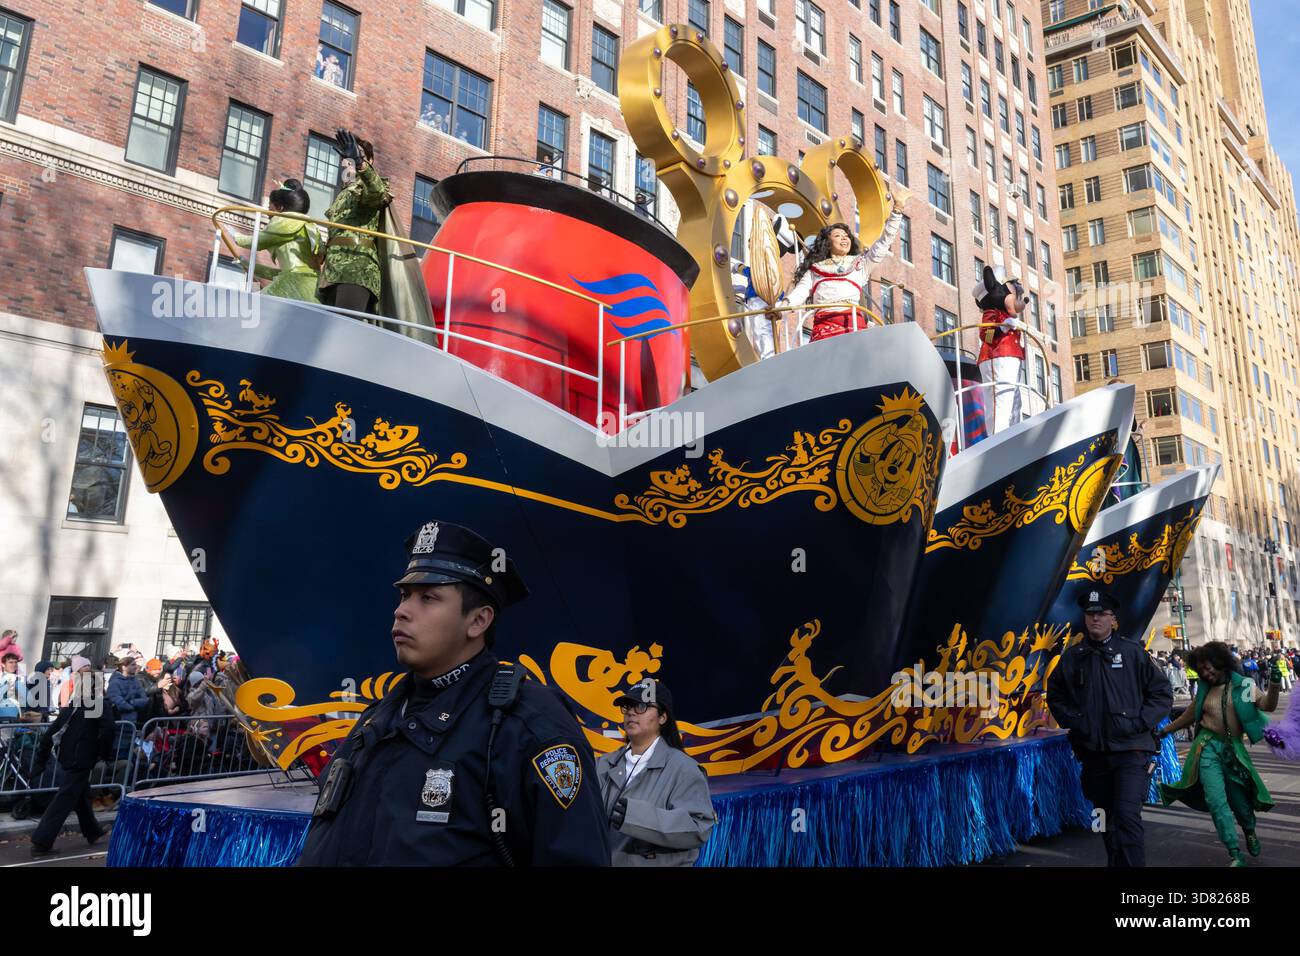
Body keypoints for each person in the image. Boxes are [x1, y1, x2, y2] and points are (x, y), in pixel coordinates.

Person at [296, 520, 610, 866]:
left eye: (428, 597)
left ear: (478, 621)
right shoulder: (378, 720)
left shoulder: (527, 725)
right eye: (404, 595)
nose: (401, 611)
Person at [1047, 590, 1173, 867]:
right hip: (1093, 754)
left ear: (1112, 619)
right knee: (1102, 818)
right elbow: (1054, 695)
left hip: (1132, 751)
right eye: (1090, 614)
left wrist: (1139, 722)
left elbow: (1162, 693)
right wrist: (1074, 720)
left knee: (1127, 817)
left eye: (1101, 614)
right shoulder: (1073, 657)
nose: (1095, 619)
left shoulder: (1132, 653)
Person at [1157, 642, 1280, 866]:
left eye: (1209, 667)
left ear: (1221, 662)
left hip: (1233, 751)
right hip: (1207, 747)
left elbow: (1267, 705)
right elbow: (1189, 716)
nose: (1206, 673)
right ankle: (1234, 852)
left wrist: (1274, 684)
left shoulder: (1244, 686)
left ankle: (1249, 830)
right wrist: (1165, 731)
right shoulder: (1204, 690)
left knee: (1240, 802)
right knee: (1215, 800)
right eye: (1201, 669)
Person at [596, 678, 716, 866]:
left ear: (662, 717)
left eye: (642, 706)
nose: (631, 712)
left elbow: (699, 828)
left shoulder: (684, 768)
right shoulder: (603, 764)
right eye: (627, 706)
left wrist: (636, 816)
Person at [782, 192, 907, 342]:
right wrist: (781, 309)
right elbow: (798, 294)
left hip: (853, 327)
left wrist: (897, 210)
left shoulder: (860, 265)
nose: (844, 238)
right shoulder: (815, 271)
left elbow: (883, 243)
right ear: (827, 243)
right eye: (837, 236)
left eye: (846, 236)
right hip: (823, 331)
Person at [29, 657, 116, 858]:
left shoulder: (73, 704)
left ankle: (91, 830)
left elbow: (53, 730)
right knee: (65, 797)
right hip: (82, 757)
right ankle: (42, 840)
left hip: (69, 755)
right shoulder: (97, 703)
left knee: (80, 792)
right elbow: (109, 729)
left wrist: (41, 758)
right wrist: (104, 752)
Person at [232, 179, 321, 301]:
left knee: (253, 305)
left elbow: (257, 242)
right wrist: (245, 264)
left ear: (280, 207)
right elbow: (279, 274)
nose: (267, 210)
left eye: (270, 205)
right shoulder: (311, 226)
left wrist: (235, 236)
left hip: (295, 284)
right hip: (314, 290)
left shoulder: (286, 221)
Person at [971, 264, 1030, 434]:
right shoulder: (992, 311)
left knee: (1014, 401)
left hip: (1011, 358)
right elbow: (986, 336)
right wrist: (1002, 328)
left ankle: (1014, 436)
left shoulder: (1005, 314)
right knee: (1000, 401)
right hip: (996, 356)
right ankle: (997, 438)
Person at [0, 650, 24, 722]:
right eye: (10, 662)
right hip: (8, 713)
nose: (14, 664)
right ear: (3, 664)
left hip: (12, 712)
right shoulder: (13, 678)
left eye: (15, 662)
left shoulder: (17, 678)